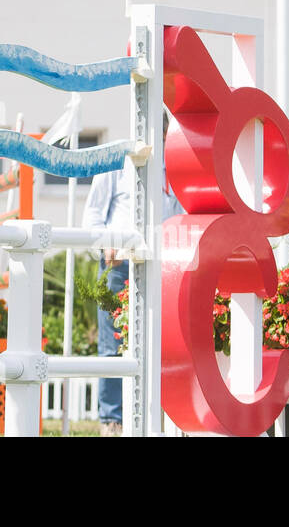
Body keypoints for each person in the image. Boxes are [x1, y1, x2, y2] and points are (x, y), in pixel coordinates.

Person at [84, 164, 182, 435]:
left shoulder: (172, 168)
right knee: (112, 343)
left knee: (164, 341)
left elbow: (179, 215)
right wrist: (105, 245)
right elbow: (93, 212)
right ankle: (113, 421)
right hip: (119, 264)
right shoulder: (114, 164)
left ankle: (160, 417)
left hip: (163, 265)